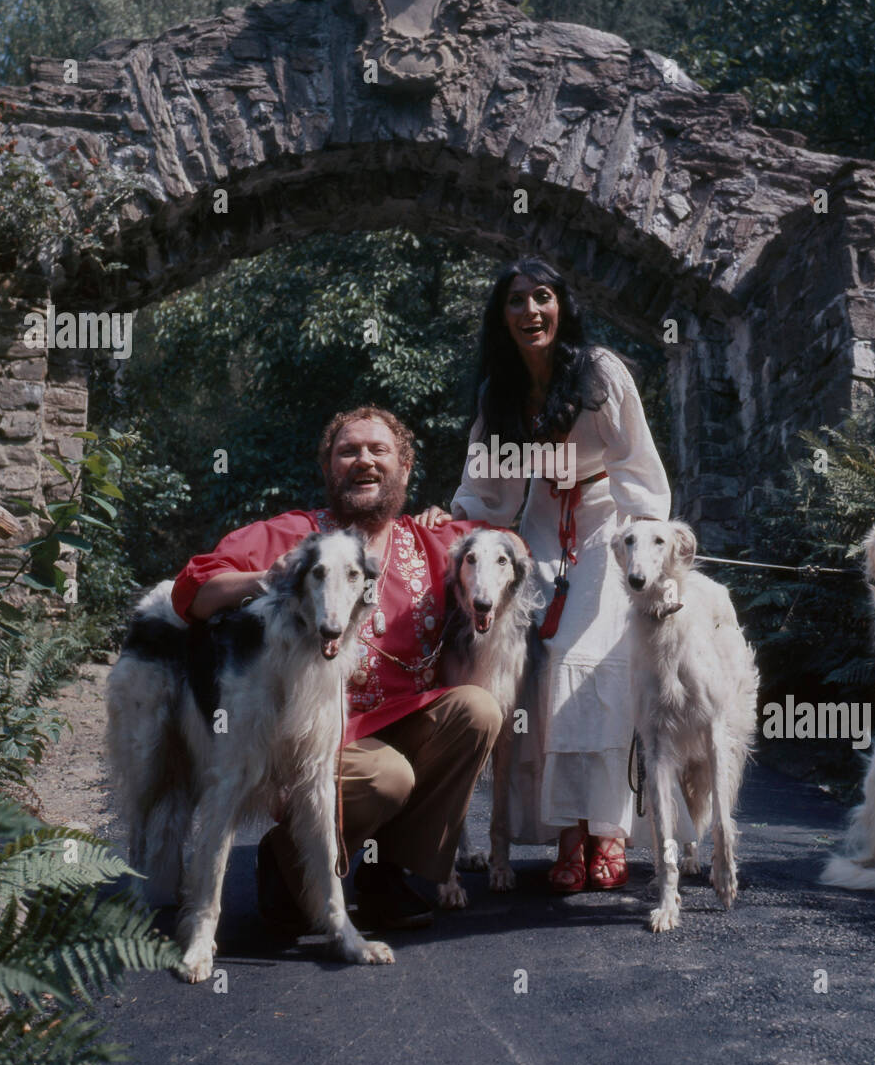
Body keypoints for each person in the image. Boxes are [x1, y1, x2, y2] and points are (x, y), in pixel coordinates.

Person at [172, 406, 500, 932]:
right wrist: (268, 578)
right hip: (318, 737)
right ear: (328, 469)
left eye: (379, 450)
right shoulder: (294, 537)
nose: (363, 461)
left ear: (406, 468)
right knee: (386, 775)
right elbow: (193, 592)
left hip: (404, 720)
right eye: (348, 451)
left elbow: (510, 550)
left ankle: (386, 876)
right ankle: (288, 864)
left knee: (477, 710)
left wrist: (455, 517)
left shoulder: (432, 541)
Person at [419, 257, 672, 893]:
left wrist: (642, 543)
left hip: (602, 523)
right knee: (533, 666)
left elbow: (638, 466)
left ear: (561, 306)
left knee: (586, 656)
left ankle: (607, 831)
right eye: (515, 301)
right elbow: (488, 493)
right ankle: (566, 830)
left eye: (542, 298)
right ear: (500, 316)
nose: (530, 311)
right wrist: (451, 521)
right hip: (534, 529)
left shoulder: (601, 373)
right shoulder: (497, 392)